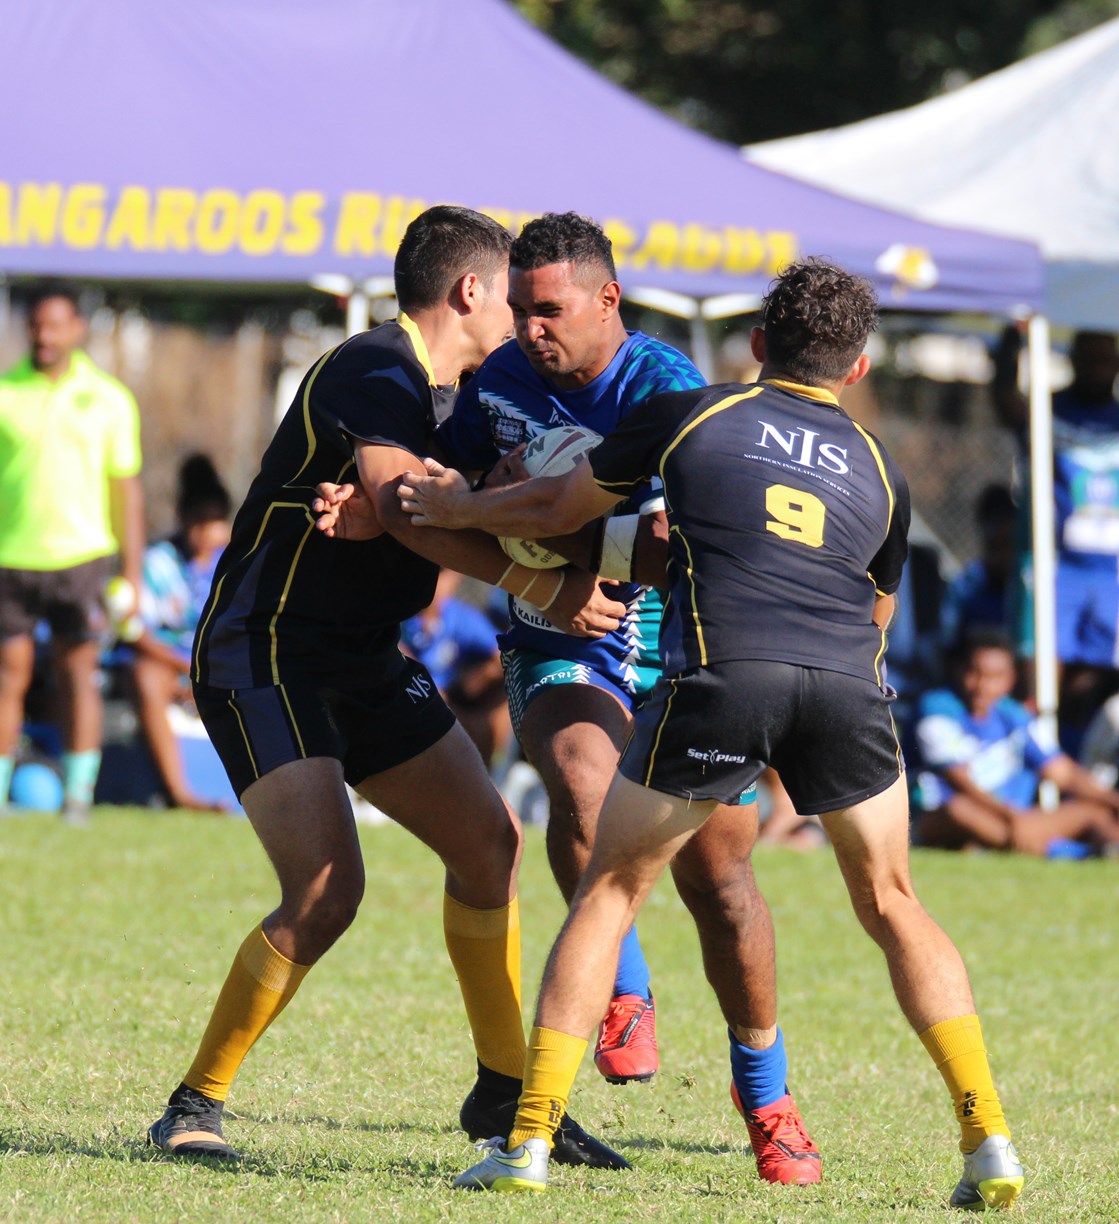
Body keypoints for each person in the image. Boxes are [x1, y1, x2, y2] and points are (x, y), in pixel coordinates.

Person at [401, 258, 1025, 1209]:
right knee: (893, 899)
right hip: (847, 687)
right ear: (855, 371)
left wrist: (453, 507)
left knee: (610, 890)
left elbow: (555, 510)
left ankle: (526, 1143)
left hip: (724, 673)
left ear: (757, 346)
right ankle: (988, 1138)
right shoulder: (878, 468)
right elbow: (878, 616)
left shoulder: (695, 410)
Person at [317, 212, 820, 1184]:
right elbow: (444, 474)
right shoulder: (497, 380)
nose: (529, 327)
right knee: (581, 779)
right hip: (559, 637)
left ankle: (766, 1092)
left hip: (676, 644)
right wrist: (379, 508)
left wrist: (532, 516)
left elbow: (667, 543)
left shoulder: (665, 389)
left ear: (607, 302)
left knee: (721, 881)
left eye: (549, 310)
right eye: (519, 306)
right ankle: (624, 989)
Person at [146, 204, 628, 1172]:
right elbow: (413, 508)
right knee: (327, 887)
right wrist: (544, 584)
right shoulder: (376, 368)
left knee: (490, 843)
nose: (528, 326)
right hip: (266, 649)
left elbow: (439, 501)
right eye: (514, 300)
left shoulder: (465, 397)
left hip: (364, 654)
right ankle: (193, 1103)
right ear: (469, 291)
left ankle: (503, 1097)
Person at [0, 282, 145, 826]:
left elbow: (124, 489)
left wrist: (131, 573)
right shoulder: (6, 392)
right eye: (37, 325)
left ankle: (78, 797)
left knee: (76, 673)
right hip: (11, 555)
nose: (44, 335)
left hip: (81, 559)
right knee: (7, 676)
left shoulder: (108, 398)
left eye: (55, 325)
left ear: (76, 330)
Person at [992, 326, 1119, 746]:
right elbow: (1007, 401)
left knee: (1097, 670)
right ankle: (1037, 751)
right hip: (1056, 566)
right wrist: (1013, 340)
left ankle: (1077, 748)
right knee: (1044, 667)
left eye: (1107, 356)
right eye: (1090, 356)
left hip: (1110, 571)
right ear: (1074, 359)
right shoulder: (1048, 411)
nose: (1099, 366)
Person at [911, 628, 1119, 856]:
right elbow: (957, 779)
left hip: (1014, 820)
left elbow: (1063, 773)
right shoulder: (937, 708)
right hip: (948, 814)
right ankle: (1058, 852)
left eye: (994, 677)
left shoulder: (1014, 715)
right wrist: (1012, 817)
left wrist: (1111, 799)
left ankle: (1105, 850)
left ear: (1011, 679)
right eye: (974, 673)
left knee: (1094, 813)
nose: (982, 686)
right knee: (959, 810)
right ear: (957, 670)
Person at [130, 454, 232, 811]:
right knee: (146, 677)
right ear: (183, 518)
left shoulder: (235, 564)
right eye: (198, 521)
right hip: (172, 666)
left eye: (215, 521)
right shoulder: (159, 562)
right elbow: (137, 632)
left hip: (222, 667)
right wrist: (185, 670)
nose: (207, 532)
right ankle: (181, 793)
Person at [400, 568, 512, 768]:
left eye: (444, 575)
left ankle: (495, 768)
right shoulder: (400, 617)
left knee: (506, 686)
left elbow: (503, 655)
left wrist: (482, 676)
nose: (440, 583)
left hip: (452, 701)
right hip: (412, 703)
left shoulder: (457, 615)